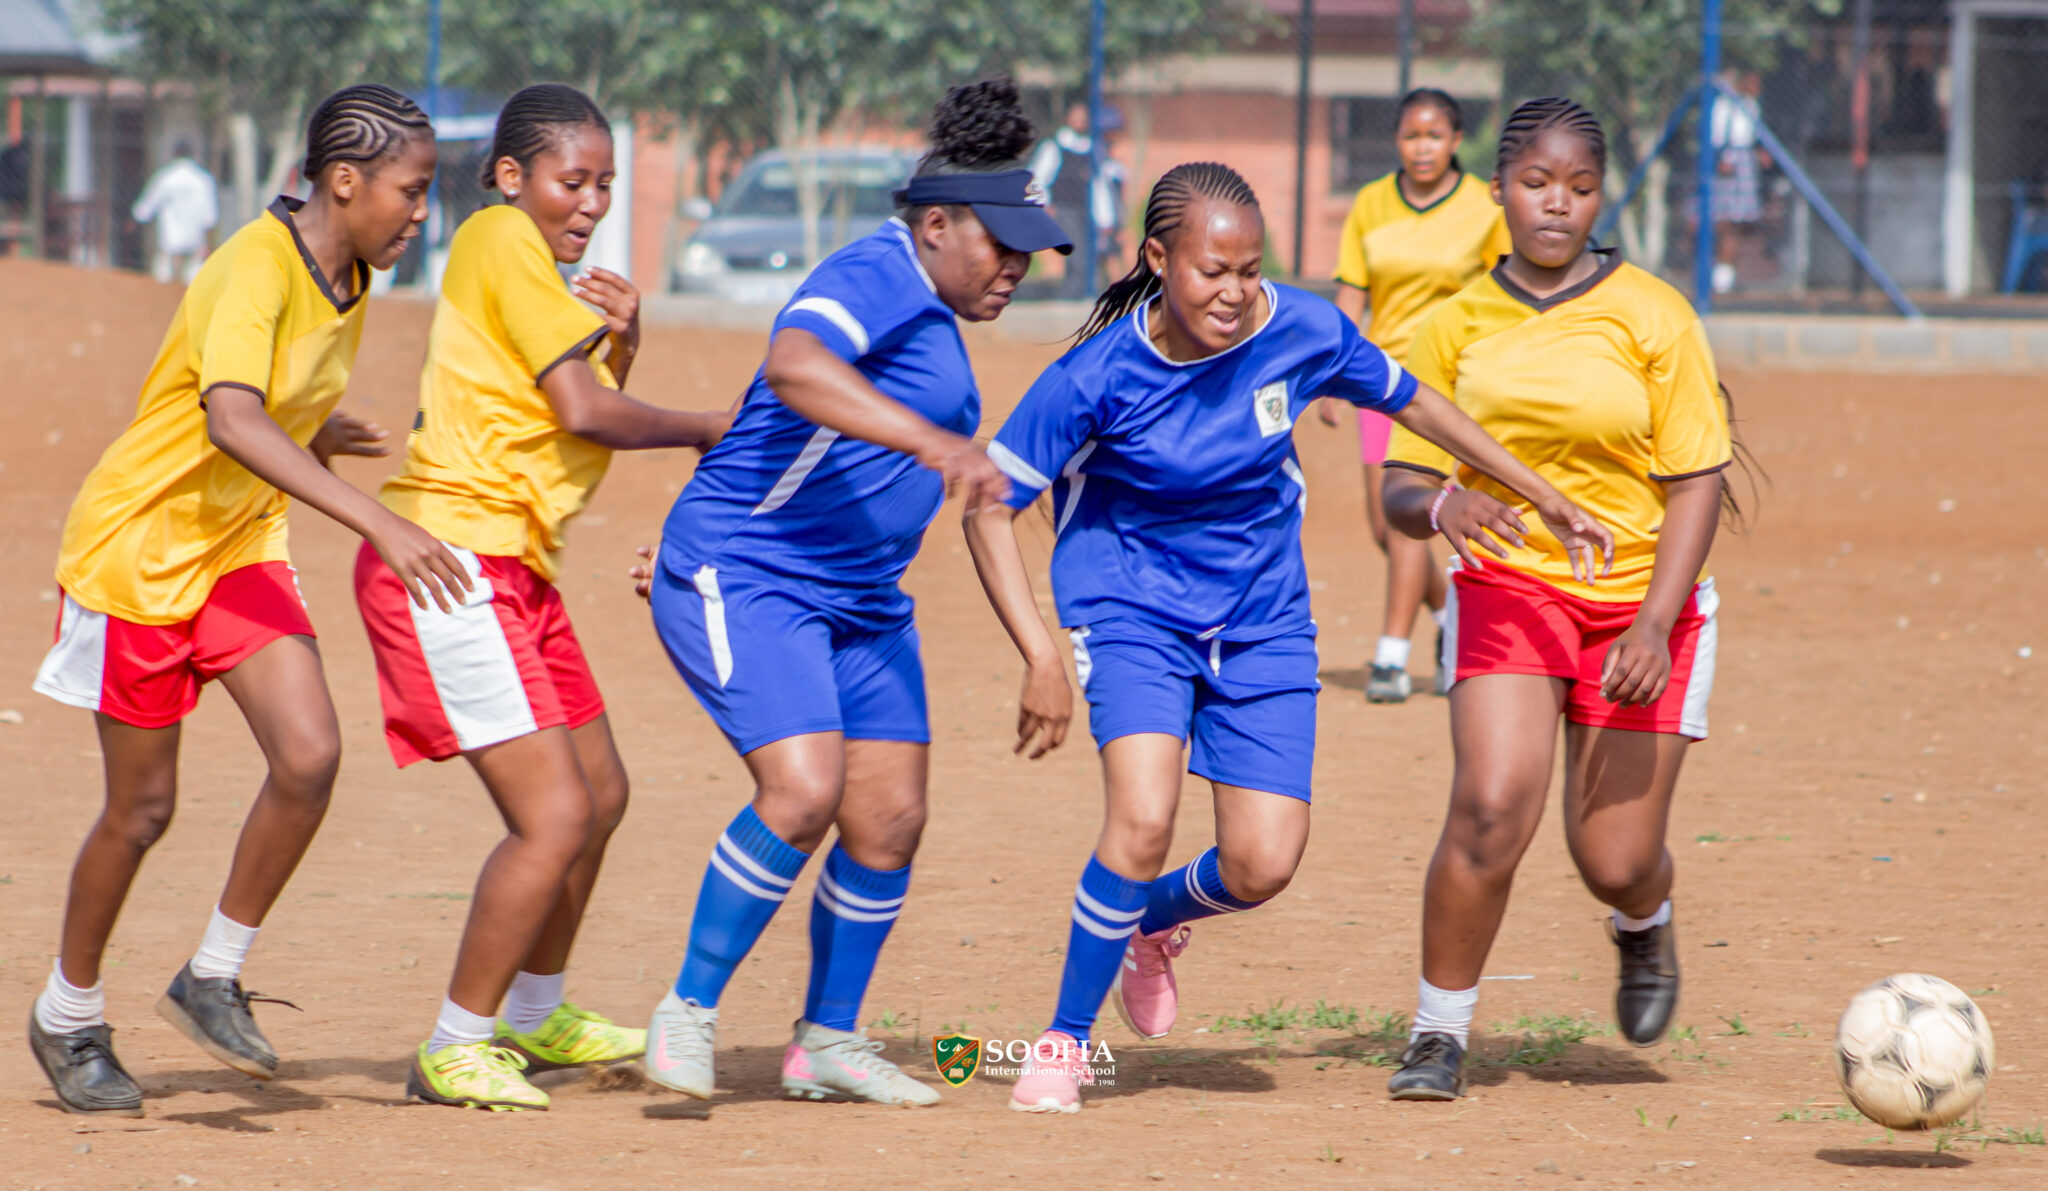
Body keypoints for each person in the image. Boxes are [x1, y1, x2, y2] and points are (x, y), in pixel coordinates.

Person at [964, 162, 1613, 1115]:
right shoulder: (1095, 376)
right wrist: (1040, 654)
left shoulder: (1299, 328)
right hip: (1132, 613)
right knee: (1140, 820)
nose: (1234, 293)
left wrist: (1542, 492)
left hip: (1263, 622)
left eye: (1249, 270)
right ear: (1157, 259)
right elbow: (987, 506)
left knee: (1263, 862)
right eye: (1210, 271)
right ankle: (1064, 1041)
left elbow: (1415, 401)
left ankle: (1145, 924)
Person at [27, 85, 462, 1118]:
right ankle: (67, 1017)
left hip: (232, 545)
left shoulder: (348, 272)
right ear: (344, 182)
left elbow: (254, 409)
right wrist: (376, 519)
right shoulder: (255, 266)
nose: (419, 212)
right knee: (141, 811)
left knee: (308, 754)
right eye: (409, 190)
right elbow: (226, 415)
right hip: (137, 554)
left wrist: (312, 435)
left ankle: (212, 973)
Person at [638, 79, 1070, 1107]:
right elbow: (791, 364)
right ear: (933, 225)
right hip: (750, 575)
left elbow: (965, 502)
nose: (1015, 267)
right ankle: (685, 1013)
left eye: (1026, 250)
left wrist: (1042, 651)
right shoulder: (873, 274)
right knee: (801, 790)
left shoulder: (939, 333)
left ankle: (826, 1039)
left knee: (888, 818)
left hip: (860, 602)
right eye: (997, 246)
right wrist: (932, 441)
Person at [356, 83, 728, 1114]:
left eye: (606, 184)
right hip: (449, 562)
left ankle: (533, 1015)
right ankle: (454, 1045)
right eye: (573, 180)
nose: (592, 203)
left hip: (514, 568)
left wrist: (631, 340)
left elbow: (570, 415)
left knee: (600, 796)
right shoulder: (496, 240)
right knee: (553, 816)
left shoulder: (543, 278)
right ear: (513, 176)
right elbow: (582, 409)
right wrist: (709, 424)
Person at [1381, 97, 1737, 1101]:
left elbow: (1695, 480)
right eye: (1536, 184)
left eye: (1578, 188)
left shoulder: (1655, 313)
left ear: (1597, 198)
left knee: (1613, 858)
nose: (1555, 205)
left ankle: (1642, 922)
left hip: (1637, 602)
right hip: (1508, 588)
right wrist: (1439, 505)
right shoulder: (1447, 324)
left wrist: (1654, 625)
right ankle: (1436, 1032)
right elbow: (1398, 484)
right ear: (1496, 191)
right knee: (1492, 806)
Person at [1321, 89, 1510, 704]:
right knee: (1387, 524)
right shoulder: (1371, 203)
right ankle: (1450, 617)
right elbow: (1353, 291)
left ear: (1456, 141)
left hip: (1449, 387)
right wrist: (1330, 372)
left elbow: (1506, 293)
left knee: (1410, 517)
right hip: (1381, 381)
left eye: (1434, 136)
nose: (1422, 147)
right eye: (1411, 136)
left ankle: (1390, 657)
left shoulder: (1485, 205)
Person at [1030, 100, 1121, 297]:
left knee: (1092, 261)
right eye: (1076, 117)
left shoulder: (1092, 150)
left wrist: (1105, 220)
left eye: (1084, 118)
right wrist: (1045, 206)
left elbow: (1099, 187)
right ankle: (1069, 301)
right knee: (1079, 261)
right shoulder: (1055, 147)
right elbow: (1037, 178)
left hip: (1087, 214)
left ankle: (1079, 300)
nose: (1080, 122)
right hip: (1065, 211)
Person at [1709, 71, 1768, 295]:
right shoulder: (1724, 105)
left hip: (1745, 162)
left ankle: (1726, 274)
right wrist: (1724, 159)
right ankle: (1720, 275)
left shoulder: (1752, 105)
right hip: (1727, 161)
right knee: (1725, 222)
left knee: (1740, 223)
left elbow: (1751, 135)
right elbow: (1718, 136)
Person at [132, 143, 221, 284]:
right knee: (193, 278)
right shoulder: (203, 180)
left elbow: (148, 205)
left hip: (171, 237)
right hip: (195, 237)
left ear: (174, 154)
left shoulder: (166, 178)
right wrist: (210, 242)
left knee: (164, 275)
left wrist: (136, 220)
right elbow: (210, 217)